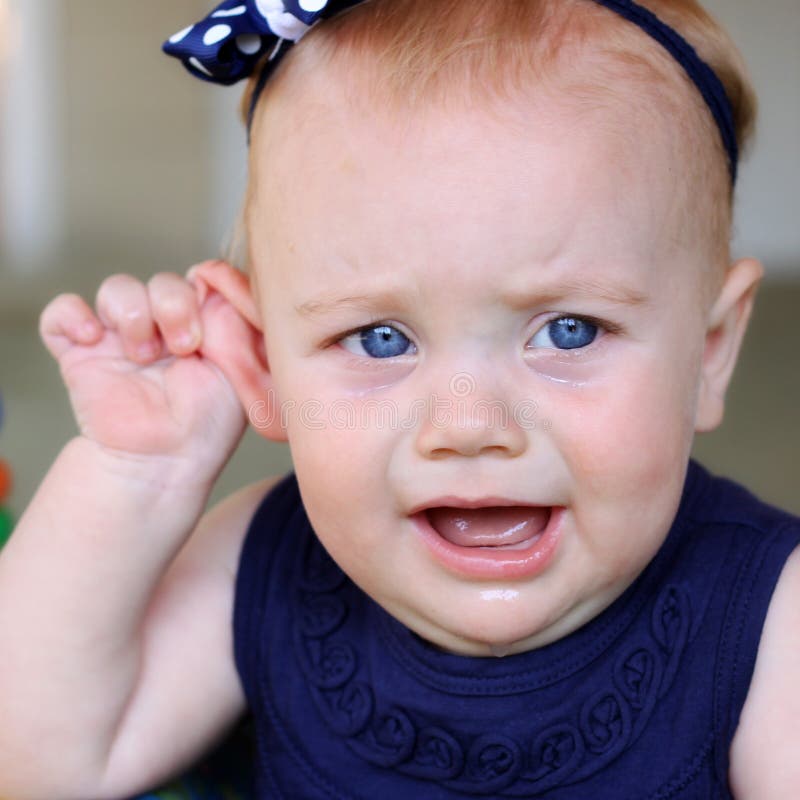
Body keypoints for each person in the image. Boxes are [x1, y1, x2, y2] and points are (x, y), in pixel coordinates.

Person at [0, 0, 798, 797]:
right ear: (263, 361)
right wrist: (135, 473)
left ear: (709, 351)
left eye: (569, 331)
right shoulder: (263, 560)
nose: (469, 427)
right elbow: (40, 766)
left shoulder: (773, 620)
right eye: (381, 338)